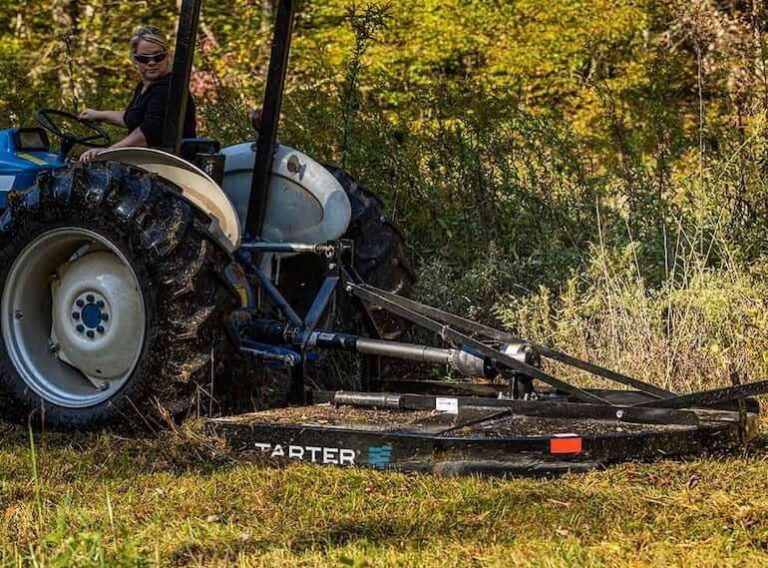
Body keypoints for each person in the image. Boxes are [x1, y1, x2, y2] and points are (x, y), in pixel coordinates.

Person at [78, 25, 196, 163]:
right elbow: (133, 117)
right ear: (135, 59)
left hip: (169, 164)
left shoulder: (167, 88)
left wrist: (108, 152)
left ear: (167, 55)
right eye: (144, 58)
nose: (151, 63)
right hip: (148, 160)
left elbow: (146, 134)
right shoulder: (145, 86)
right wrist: (99, 115)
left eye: (158, 57)